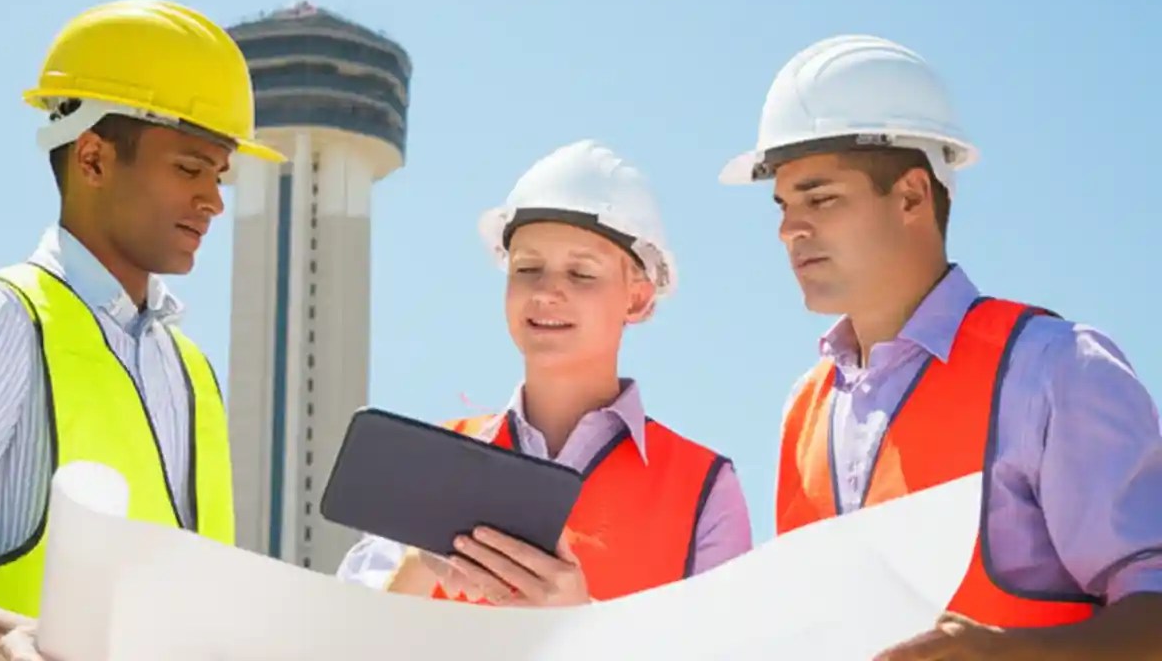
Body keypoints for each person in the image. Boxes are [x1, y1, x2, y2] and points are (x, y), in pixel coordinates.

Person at [719, 34, 1162, 659]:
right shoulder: (806, 413)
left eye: (820, 199)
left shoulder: (1054, 370)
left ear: (911, 197)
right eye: (784, 205)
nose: (791, 229)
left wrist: (1011, 656)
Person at [0, 0, 285, 661]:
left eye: (220, 175)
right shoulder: (0, 318)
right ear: (93, 160)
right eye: (189, 168)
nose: (213, 200)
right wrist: (6, 639)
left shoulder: (191, 375)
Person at [336, 139, 752, 605]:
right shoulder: (433, 463)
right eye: (528, 268)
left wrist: (581, 627)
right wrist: (414, 569)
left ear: (637, 297)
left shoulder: (704, 488)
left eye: (582, 274)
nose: (547, 292)